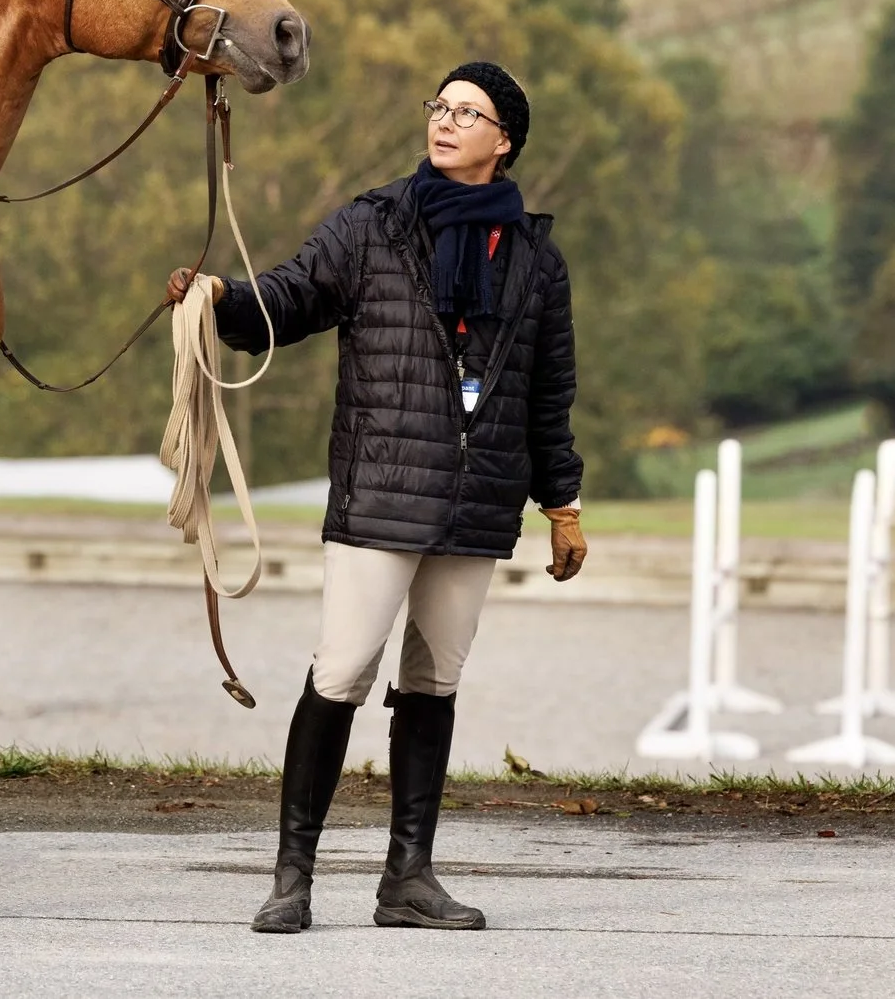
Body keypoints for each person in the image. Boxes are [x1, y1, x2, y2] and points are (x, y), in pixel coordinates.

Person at [168, 60, 586, 935]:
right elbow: (291, 297)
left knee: (433, 683)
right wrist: (222, 301)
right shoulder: (372, 225)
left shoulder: (538, 260)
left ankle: (408, 878)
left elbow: (548, 394)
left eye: (468, 112)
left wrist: (563, 505)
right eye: (440, 106)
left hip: (477, 501)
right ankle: (292, 877)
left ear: (504, 140)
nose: (446, 121)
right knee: (342, 671)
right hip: (382, 490)